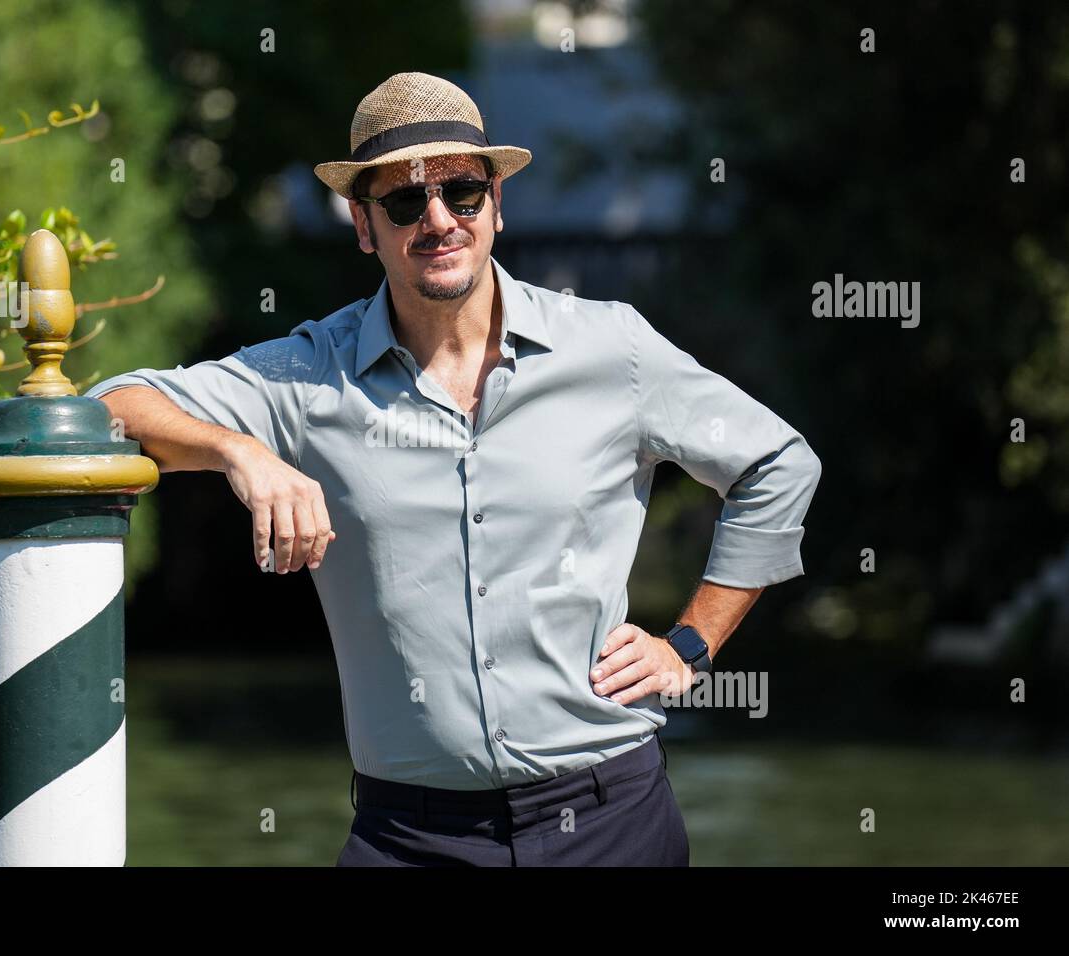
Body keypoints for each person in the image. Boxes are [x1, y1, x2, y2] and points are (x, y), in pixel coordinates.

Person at [85, 72, 821, 866]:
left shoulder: (613, 347)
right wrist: (243, 451)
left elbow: (777, 462)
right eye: (404, 202)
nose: (438, 219)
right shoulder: (305, 375)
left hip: (611, 822)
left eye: (462, 193)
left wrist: (691, 644)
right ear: (365, 227)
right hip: (407, 839)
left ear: (496, 205)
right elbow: (103, 405)